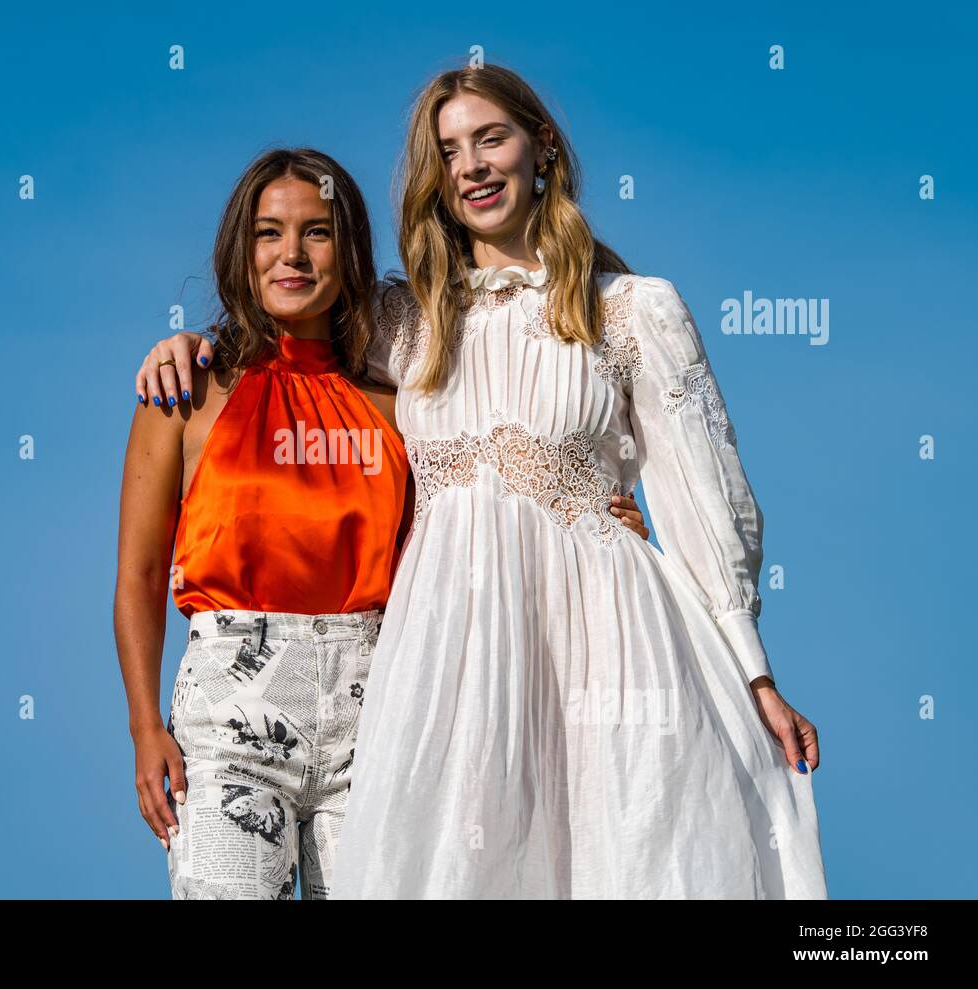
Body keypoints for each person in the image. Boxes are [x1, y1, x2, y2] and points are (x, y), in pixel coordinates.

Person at [136, 64, 827, 899]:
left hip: (601, 642)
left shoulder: (635, 310)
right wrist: (194, 346)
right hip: (444, 658)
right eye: (449, 150)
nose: (471, 164)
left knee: (623, 850)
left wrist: (753, 672)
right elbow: (293, 326)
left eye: (490, 137)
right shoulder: (408, 323)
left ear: (542, 148)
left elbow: (704, 503)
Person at [115, 144, 655, 899]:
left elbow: (493, 488)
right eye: (269, 233)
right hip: (231, 709)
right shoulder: (185, 393)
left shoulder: (401, 404)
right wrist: (146, 728)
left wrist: (597, 518)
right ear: (241, 251)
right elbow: (139, 575)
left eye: (318, 232)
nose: (292, 254)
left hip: (380, 706)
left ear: (350, 250)